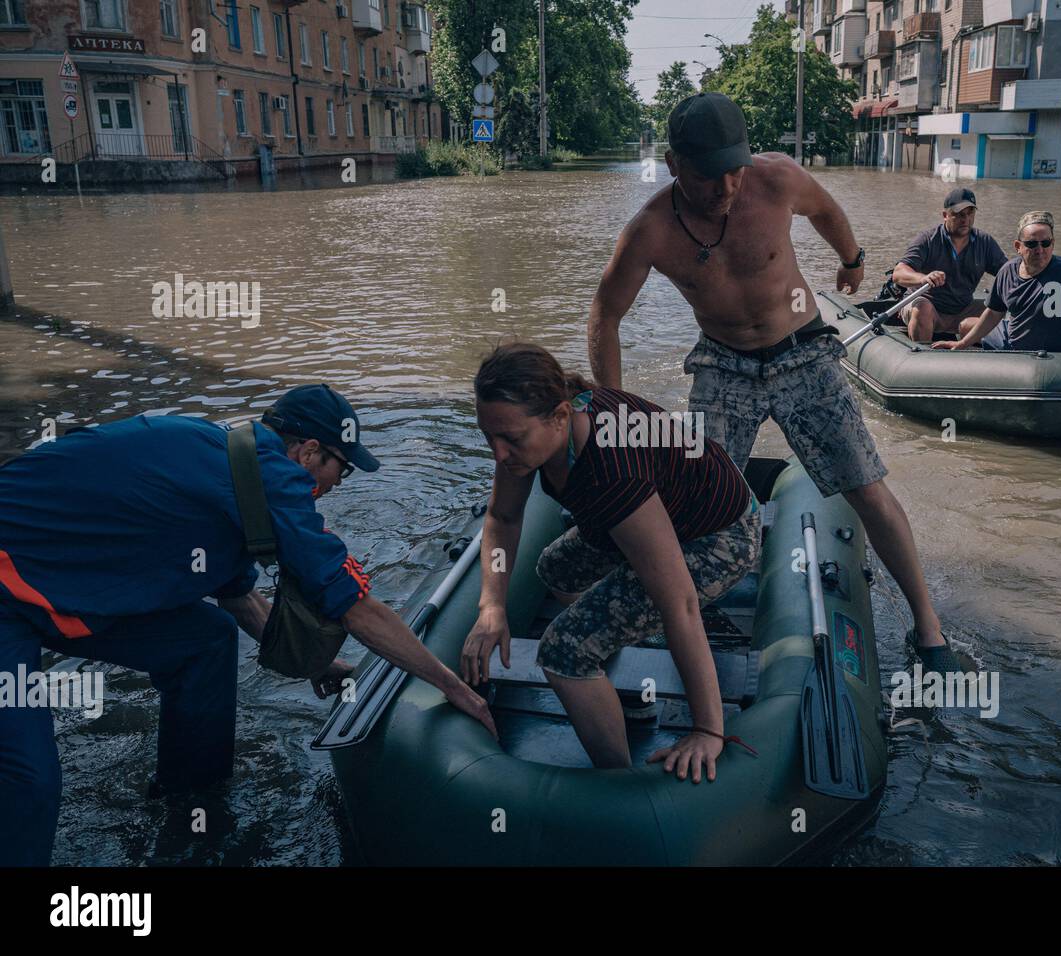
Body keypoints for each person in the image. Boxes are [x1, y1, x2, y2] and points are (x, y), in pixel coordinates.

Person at [0, 384, 495, 867]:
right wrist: (452, 686)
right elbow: (356, 606)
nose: (340, 483)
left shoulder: (234, 467)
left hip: (51, 583)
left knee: (206, 640)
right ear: (307, 452)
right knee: (28, 779)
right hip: (8, 590)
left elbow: (237, 596)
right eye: (340, 468)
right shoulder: (273, 478)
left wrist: (319, 665)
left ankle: (191, 802)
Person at [587, 92, 963, 677]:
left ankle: (929, 629)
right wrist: (610, 409)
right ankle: (688, 607)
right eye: (710, 175)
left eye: (735, 170)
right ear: (673, 164)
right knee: (692, 497)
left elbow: (828, 209)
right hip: (723, 365)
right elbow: (605, 315)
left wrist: (853, 258)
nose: (727, 187)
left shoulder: (776, 179)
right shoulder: (650, 231)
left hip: (803, 354)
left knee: (865, 485)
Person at [465, 342, 761, 784]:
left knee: (564, 651)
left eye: (511, 439)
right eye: (490, 437)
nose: (500, 454)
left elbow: (678, 602)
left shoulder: (612, 473)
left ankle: (618, 782)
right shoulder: (529, 438)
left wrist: (707, 729)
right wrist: (492, 606)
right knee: (556, 569)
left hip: (717, 538)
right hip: (648, 517)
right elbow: (502, 516)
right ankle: (609, 661)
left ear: (561, 416)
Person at [933, 211, 1061, 354]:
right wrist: (962, 344)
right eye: (1032, 244)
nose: (1040, 249)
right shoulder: (1007, 272)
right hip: (1011, 343)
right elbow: (994, 313)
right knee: (966, 325)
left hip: (1056, 355)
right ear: (1018, 246)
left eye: (1046, 243)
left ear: (1052, 243)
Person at [891, 187, 1008, 343]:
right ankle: (922, 358)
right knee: (922, 308)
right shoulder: (927, 239)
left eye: (970, 213)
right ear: (945, 215)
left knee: (997, 311)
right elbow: (898, 273)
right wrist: (924, 278)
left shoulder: (985, 242)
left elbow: (1008, 273)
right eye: (959, 214)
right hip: (928, 306)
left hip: (963, 308)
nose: (965, 219)